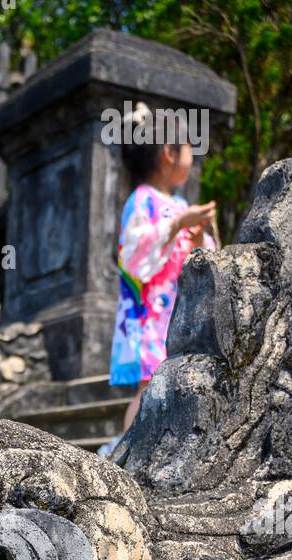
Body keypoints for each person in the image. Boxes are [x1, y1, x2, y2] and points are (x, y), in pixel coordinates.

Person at [109, 103, 217, 435]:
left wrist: (202, 238)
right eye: (187, 148)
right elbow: (133, 255)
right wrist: (174, 227)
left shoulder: (181, 206)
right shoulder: (142, 201)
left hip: (173, 313)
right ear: (169, 152)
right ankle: (127, 454)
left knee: (168, 386)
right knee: (146, 388)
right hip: (148, 314)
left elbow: (200, 259)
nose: (191, 157)